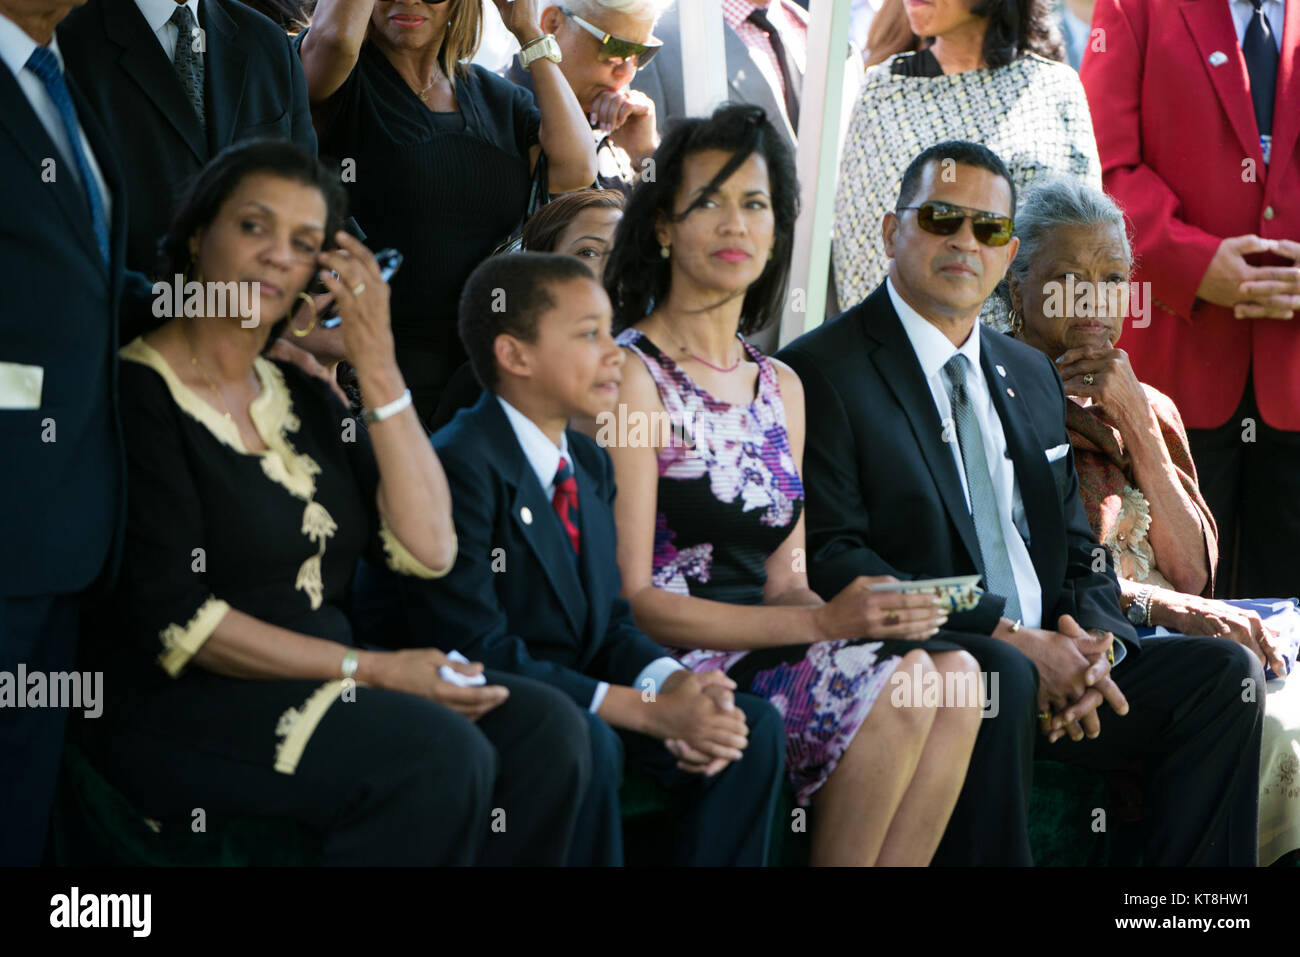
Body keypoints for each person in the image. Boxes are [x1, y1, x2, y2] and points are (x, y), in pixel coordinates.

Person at [85, 141, 592, 866]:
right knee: (437, 755)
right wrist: (377, 670)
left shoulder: (299, 394)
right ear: (198, 235)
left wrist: (377, 364)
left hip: (330, 672)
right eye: (253, 226)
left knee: (547, 728)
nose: (273, 256)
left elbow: (430, 547)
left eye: (300, 243)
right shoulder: (139, 393)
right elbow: (177, 621)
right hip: (188, 699)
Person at [778, 140, 1266, 866]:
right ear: (890, 232)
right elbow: (838, 554)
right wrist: (1014, 639)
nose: (964, 241)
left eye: (987, 228)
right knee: (1000, 676)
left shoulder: (1027, 374)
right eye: (942, 218)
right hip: (950, 652)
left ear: (1006, 258)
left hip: (1060, 646)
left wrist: (1094, 650)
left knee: (1225, 680)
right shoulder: (823, 369)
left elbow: (1078, 549)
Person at [601, 104, 982, 866]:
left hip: (775, 638)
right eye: (708, 200)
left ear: (778, 232)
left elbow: (788, 581)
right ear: (664, 227)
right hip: (676, 659)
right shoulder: (629, 375)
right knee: (901, 683)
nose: (735, 223)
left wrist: (861, 612)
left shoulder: (781, 384)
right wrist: (820, 627)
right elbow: (632, 598)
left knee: (960, 675)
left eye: (756, 204)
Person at [361, 252, 788, 866]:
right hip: (486, 705)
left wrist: (677, 686)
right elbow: (474, 648)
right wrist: (644, 712)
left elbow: (612, 624)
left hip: (576, 696)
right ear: (515, 355)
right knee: (586, 737)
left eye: (611, 330)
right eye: (589, 334)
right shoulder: (458, 463)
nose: (616, 352)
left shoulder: (587, 462)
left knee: (748, 727)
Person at [1006, 176, 1300, 865]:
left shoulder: (1149, 404)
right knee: (1243, 696)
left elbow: (1196, 570)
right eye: (1066, 279)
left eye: (1111, 279)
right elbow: (1041, 575)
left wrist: (1135, 418)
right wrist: (1172, 609)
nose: (1092, 302)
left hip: (1173, 636)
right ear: (1017, 290)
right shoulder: (1002, 394)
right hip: (1088, 641)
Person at [1081, 0, 1300, 601]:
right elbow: (1105, 164)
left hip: (1294, 378)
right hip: (1176, 373)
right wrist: (1197, 265)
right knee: (1179, 606)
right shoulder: (1134, 9)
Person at [299, 0, 596, 425]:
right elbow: (335, 38)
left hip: (487, 383)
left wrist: (528, 30)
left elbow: (576, 168)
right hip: (372, 382)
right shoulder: (338, 77)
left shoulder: (496, 98)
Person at [0, 0, 130, 867]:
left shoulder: (58, 74)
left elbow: (90, 285)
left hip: (68, 528)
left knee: (21, 808)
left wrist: (255, 320)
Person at [831, 0, 1096, 325]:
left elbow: (1087, 251)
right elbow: (860, 259)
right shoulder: (884, 93)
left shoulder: (1057, 89)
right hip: (908, 358)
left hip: (1036, 359)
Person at [58, 0, 318, 319]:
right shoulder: (68, 42)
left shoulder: (266, 41)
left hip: (255, 340)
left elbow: (307, 192)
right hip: (125, 340)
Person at [427, 186, 625, 431]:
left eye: (623, 253)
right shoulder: (487, 379)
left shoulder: (646, 362)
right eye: (588, 252)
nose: (611, 266)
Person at [502, 0, 669, 194]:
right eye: (617, 49)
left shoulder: (617, 127)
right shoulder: (496, 114)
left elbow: (659, 216)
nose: (627, 72)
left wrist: (645, 155)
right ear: (553, 25)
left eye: (642, 53)